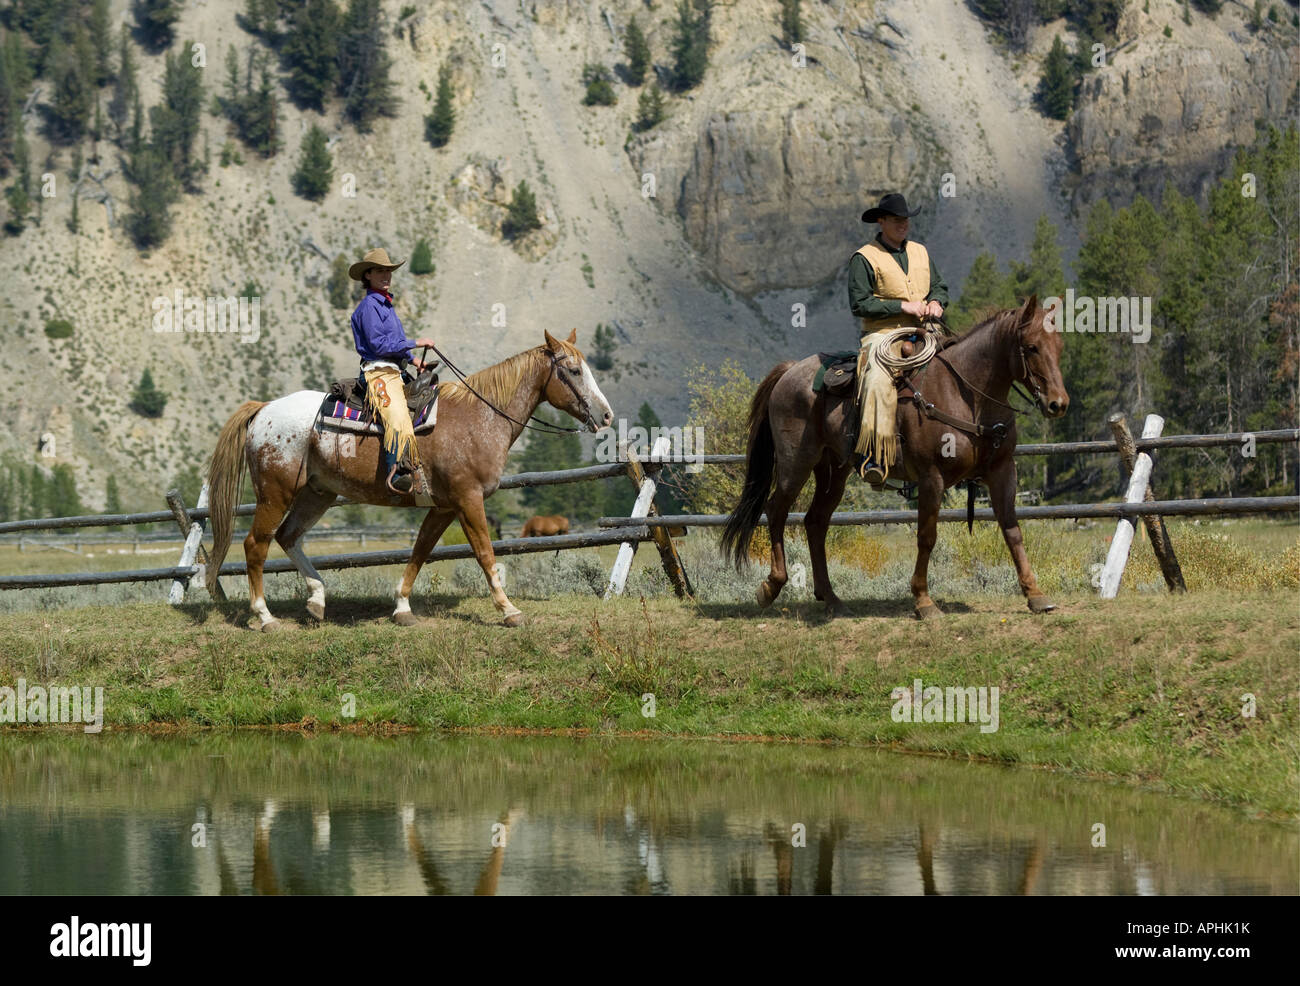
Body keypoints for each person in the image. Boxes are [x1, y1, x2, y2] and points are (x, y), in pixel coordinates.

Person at [847, 193, 949, 487]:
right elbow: (859, 303)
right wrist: (902, 306)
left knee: (957, 365)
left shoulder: (920, 252)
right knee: (878, 379)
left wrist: (937, 302)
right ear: (881, 221)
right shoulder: (864, 257)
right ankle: (875, 456)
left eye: (906, 219)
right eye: (896, 220)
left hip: (926, 330)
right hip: (882, 335)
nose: (903, 225)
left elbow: (939, 284)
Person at [348, 248, 436, 494]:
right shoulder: (368, 307)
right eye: (379, 271)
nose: (386, 275)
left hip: (395, 370)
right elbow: (378, 344)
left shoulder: (386, 306)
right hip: (377, 372)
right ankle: (397, 472)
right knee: (397, 414)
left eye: (388, 270)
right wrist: (415, 343)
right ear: (368, 276)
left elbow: (395, 341)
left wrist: (413, 360)